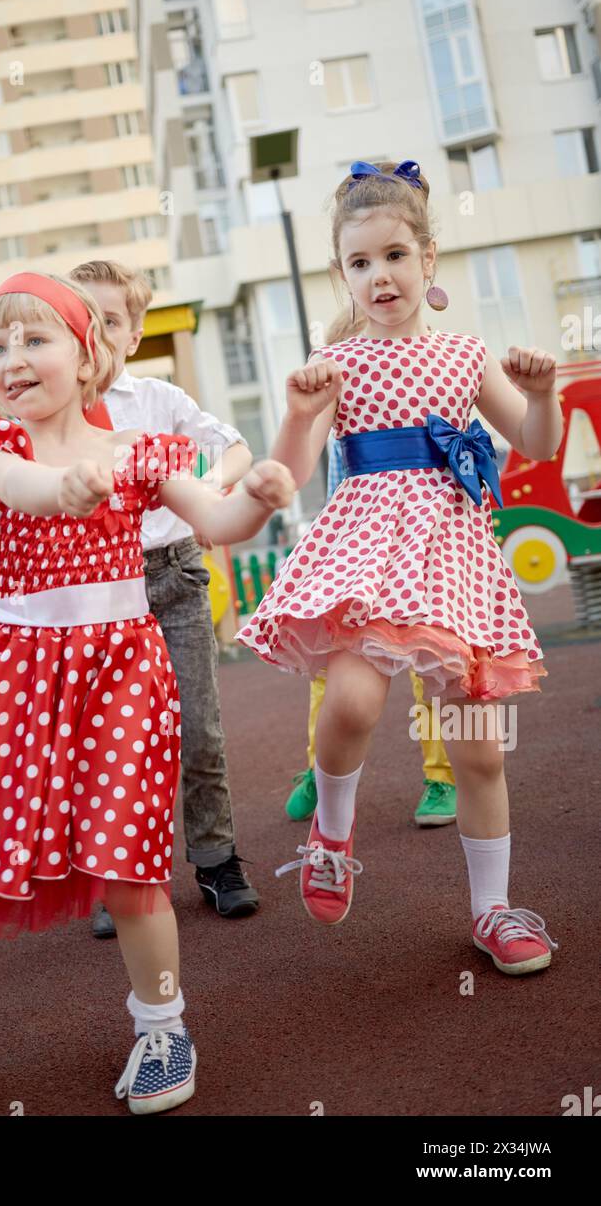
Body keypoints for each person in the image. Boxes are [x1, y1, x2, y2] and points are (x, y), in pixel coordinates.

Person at [0, 271, 293, 1117]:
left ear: (88, 353)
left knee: (130, 861)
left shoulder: (138, 451)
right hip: (20, 668)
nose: (8, 359)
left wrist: (260, 499)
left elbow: (216, 519)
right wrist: (58, 490)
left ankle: (163, 1026)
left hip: (123, 671)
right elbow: (21, 489)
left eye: (31, 339)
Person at [238, 158, 562, 977]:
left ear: (429, 259)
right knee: (349, 702)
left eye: (393, 255)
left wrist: (545, 393)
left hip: (455, 557)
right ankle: (332, 835)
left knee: (478, 749)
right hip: (367, 552)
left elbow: (532, 444)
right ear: (342, 275)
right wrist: (299, 412)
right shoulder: (335, 363)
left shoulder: (464, 354)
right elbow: (291, 468)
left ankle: (493, 909)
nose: (378, 275)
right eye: (359, 262)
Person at [70, 259, 261, 933]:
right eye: (80, 323)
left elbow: (232, 446)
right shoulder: (58, 413)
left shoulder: (160, 400)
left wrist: (208, 485)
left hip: (174, 577)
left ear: (133, 331)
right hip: (98, 587)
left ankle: (215, 856)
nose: (94, 336)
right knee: (108, 741)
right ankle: (116, 876)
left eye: (110, 322)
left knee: (198, 727)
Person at [287, 417, 457, 829]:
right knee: (331, 660)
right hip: (357, 544)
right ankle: (320, 766)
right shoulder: (346, 383)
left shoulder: (444, 372)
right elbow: (333, 482)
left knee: (430, 658)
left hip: (423, 541)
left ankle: (444, 778)